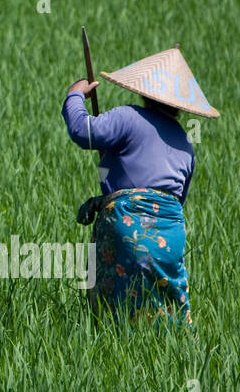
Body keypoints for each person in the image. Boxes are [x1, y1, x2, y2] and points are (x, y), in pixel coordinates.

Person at [63, 46, 216, 327]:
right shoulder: (185, 142)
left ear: (144, 91)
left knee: (113, 313)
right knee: (167, 310)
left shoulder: (129, 117)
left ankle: (111, 352)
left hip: (127, 225)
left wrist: (74, 95)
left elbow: (83, 131)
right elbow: (177, 201)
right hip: (170, 236)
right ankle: (177, 352)